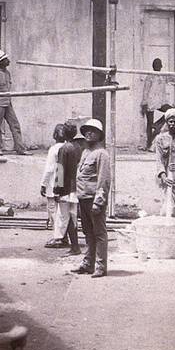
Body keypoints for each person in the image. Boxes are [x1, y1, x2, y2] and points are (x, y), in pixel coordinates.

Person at [73, 118, 111, 277]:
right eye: (86, 130)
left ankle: (101, 266)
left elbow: (104, 179)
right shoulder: (85, 152)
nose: (89, 133)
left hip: (94, 199)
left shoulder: (101, 154)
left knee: (99, 233)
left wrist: (99, 201)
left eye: (93, 131)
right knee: (88, 232)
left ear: (99, 134)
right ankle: (88, 263)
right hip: (83, 198)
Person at [53, 120, 83, 255]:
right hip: (77, 187)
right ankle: (75, 245)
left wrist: (56, 190)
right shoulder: (79, 147)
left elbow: (60, 170)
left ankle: (75, 246)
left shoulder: (64, 149)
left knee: (68, 217)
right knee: (74, 216)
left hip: (66, 189)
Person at [0, 49, 25, 154]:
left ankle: (20, 148)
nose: (8, 61)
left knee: (15, 125)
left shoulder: (7, 73)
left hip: (8, 103)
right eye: (6, 59)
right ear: (1, 62)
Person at [41, 123, 69, 248]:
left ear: (54, 135)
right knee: (64, 213)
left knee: (54, 212)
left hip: (54, 184)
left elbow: (49, 169)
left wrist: (43, 184)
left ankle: (58, 237)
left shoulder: (53, 149)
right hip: (66, 185)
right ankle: (64, 236)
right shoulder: (69, 147)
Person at [140, 58, 170, 149]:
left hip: (161, 102)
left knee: (171, 111)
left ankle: (157, 124)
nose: (157, 66)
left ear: (161, 66)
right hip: (150, 103)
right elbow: (145, 91)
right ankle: (148, 144)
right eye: (156, 64)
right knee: (149, 124)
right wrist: (144, 103)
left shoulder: (163, 76)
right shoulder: (150, 77)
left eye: (159, 64)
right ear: (153, 66)